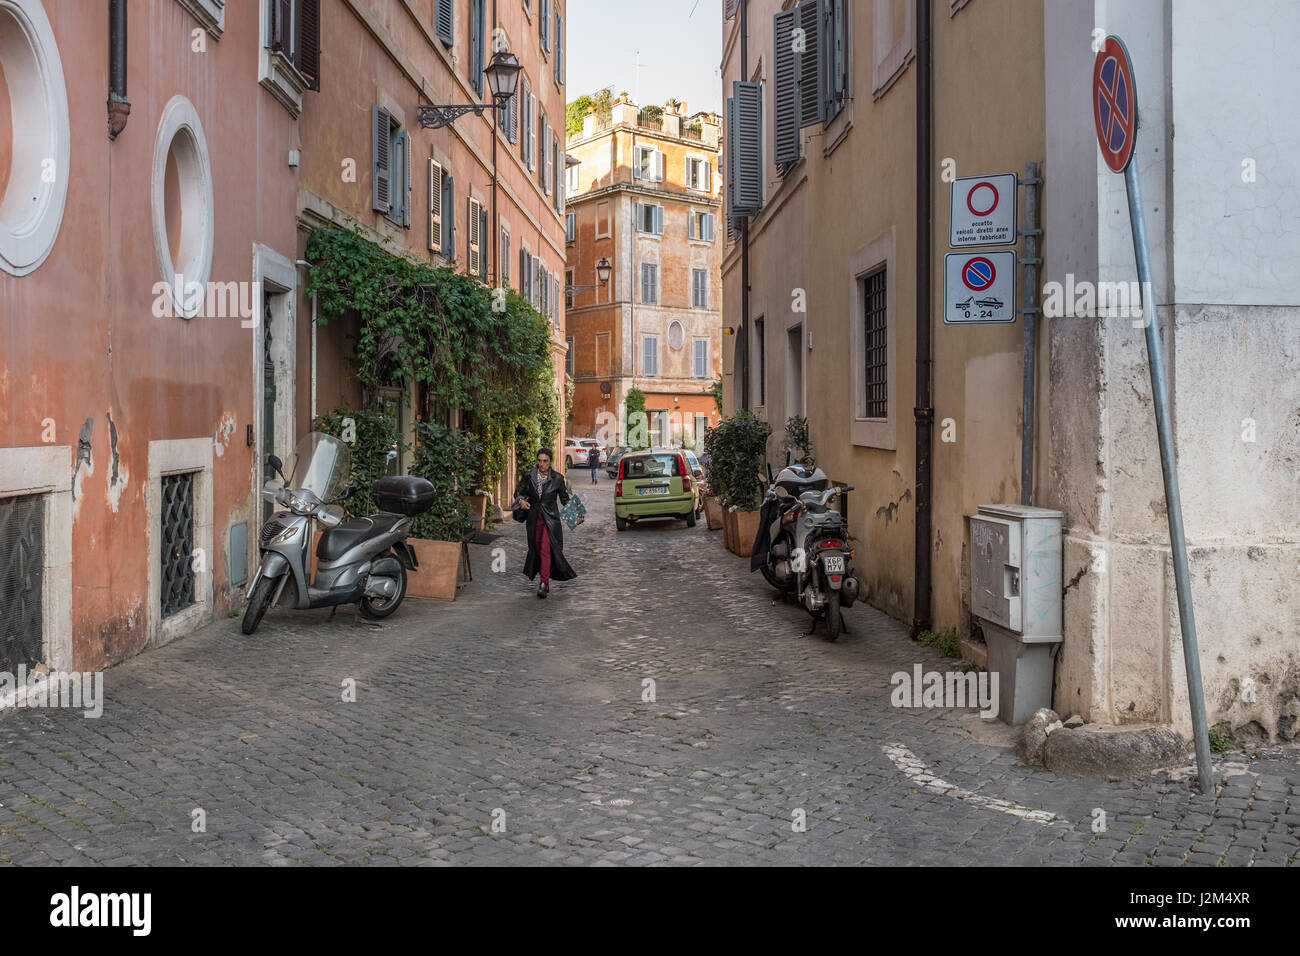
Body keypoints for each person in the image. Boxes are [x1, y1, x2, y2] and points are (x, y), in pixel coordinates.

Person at [512, 448, 581, 598]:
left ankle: (544, 583)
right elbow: (518, 492)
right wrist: (521, 501)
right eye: (539, 461)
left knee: (545, 549)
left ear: (550, 462)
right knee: (536, 548)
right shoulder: (529, 475)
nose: (542, 464)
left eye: (545, 461)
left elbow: (564, 499)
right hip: (533, 518)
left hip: (550, 520)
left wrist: (576, 515)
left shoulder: (557, 478)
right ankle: (544, 577)